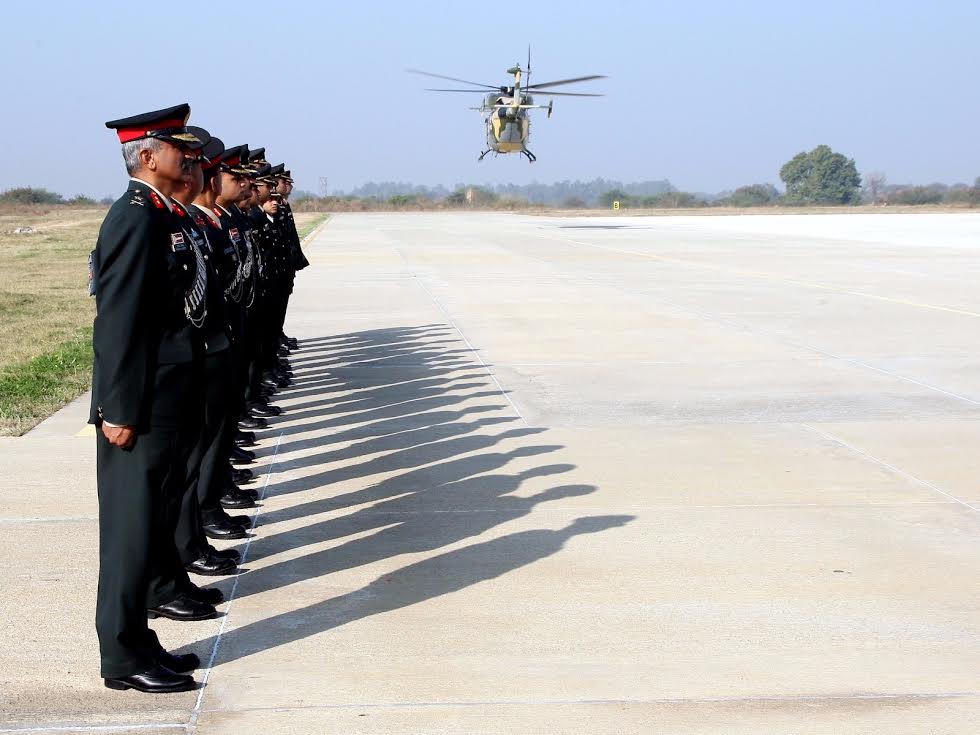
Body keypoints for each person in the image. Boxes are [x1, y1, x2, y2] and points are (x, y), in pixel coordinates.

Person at [92, 103, 213, 694]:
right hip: (137, 404)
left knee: (153, 524)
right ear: (147, 156)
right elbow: (118, 320)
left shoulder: (162, 215)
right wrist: (117, 408)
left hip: (165, 393)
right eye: (176, 148)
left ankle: (141, 640)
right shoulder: (134, 217)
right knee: (129, 531)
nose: (186, 158)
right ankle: (120, 655)